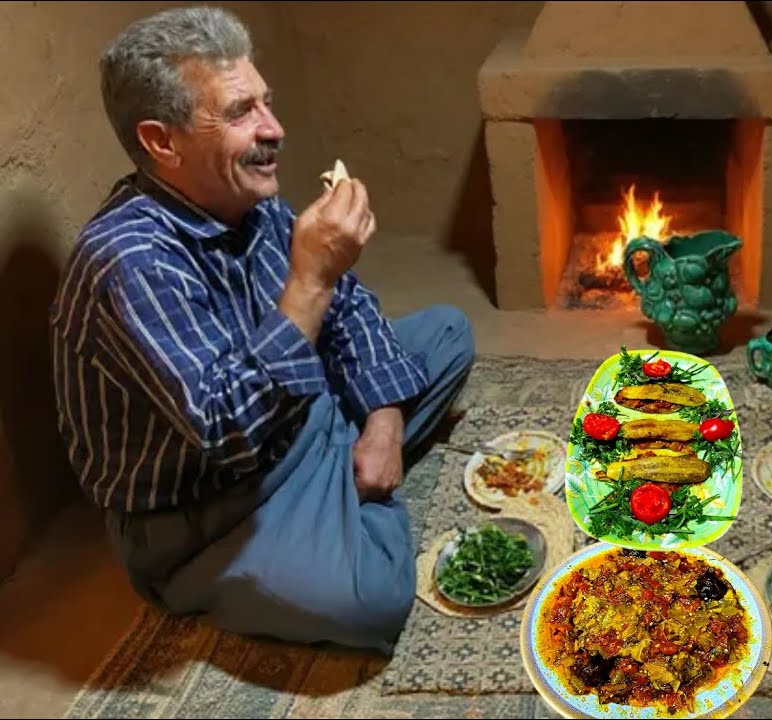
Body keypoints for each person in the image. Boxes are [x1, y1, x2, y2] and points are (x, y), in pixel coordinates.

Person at [48, 7, 474, 653]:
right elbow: (224, 432)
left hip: (297, 416)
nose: (273, 129)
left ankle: (342, 478)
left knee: (448, 332)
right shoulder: (130, 261)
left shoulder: (245, 198)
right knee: (372, 601)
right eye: (240, 112)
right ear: (162, 142)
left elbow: (349, 307)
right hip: (213, 502)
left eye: (266, 102)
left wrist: (384, 425)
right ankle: (328, 515)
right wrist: (312, 279)